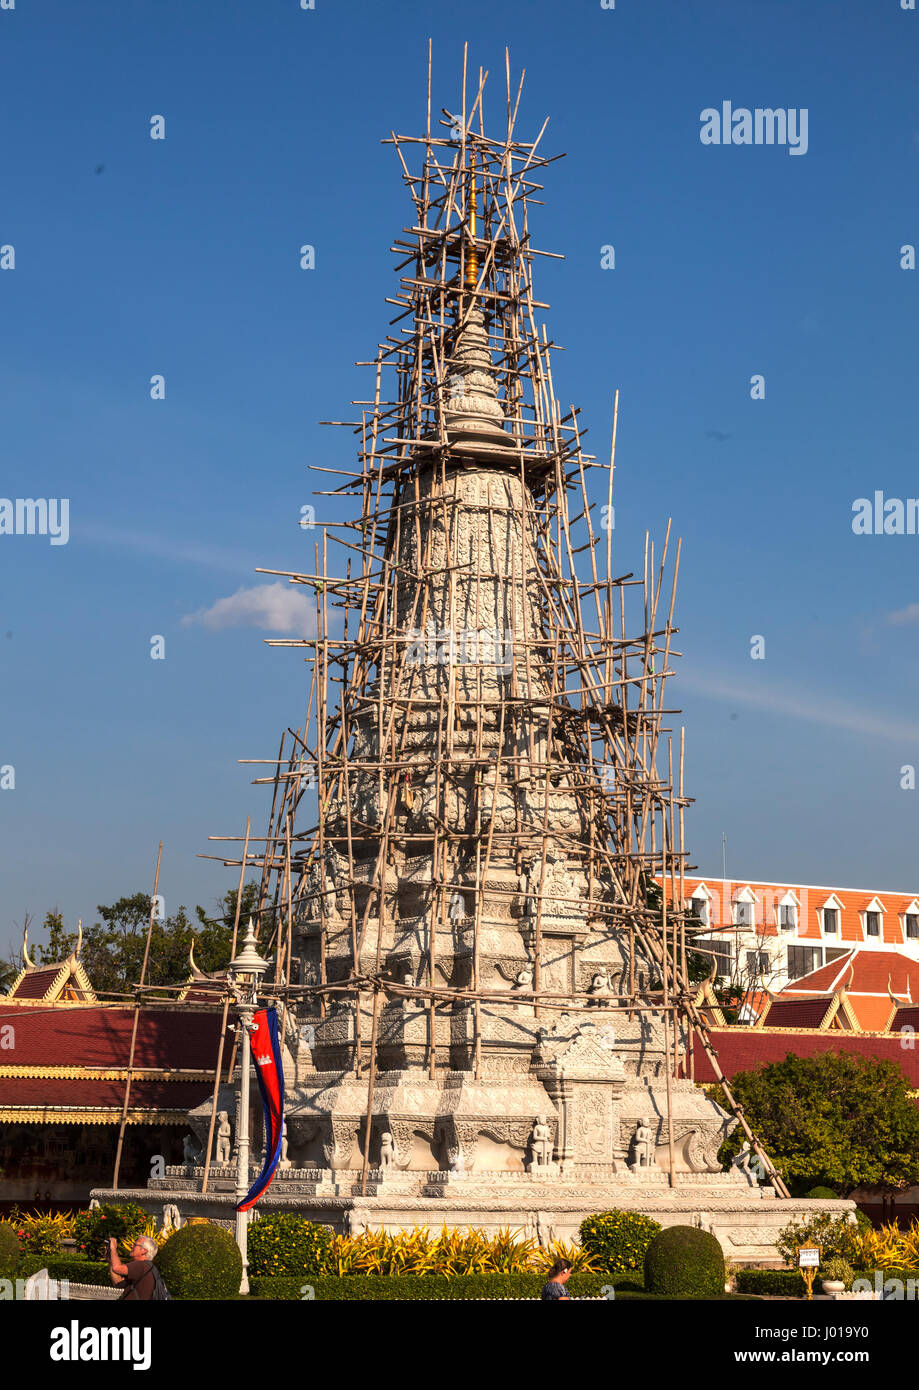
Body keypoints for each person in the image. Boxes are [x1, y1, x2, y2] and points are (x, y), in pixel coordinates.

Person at [106, 1235, 161, 1301]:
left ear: (143, 1251)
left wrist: (113, 1248)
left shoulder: (141, 1265)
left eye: (135, 1245)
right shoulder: (145, 1267)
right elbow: (118, 1283)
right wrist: (111, 1261)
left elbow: (117, 1268)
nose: (131, 1246)